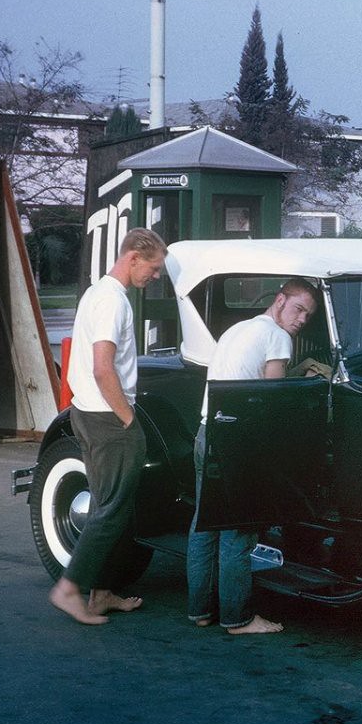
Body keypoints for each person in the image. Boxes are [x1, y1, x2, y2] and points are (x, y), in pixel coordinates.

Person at [186, 276, 319, 634]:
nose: (301, 319)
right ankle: (238, 618)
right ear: (279, 301)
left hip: (207, 433)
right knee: (238, 531)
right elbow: (271, 393)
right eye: (298, 309)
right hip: (238, 441)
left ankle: (200, 611)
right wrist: (304, 377)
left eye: (308, 315)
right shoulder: (278, 336)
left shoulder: (236, 330)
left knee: (204, 525)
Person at [49, 227, 167, 625]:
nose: (154, 276)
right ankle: (69, 590)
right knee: (111, 511)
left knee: (108, 506)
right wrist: (128, 419)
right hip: (107, 418)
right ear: (133, 257)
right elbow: (103, 368)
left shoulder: (96, 292)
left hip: (87, 412)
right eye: (152, 268)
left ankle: (100, 593)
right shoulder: (113, 301)